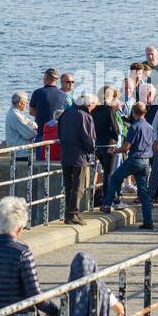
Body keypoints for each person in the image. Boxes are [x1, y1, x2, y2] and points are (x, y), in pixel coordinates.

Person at [101, 102, 155, 229]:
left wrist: (115, 150)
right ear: (145, 113)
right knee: (143, 193)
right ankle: (148, 221)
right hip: (146, 161)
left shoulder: (134, 127)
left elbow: (126, 147)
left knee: (115, 178)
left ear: (133, 113)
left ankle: (107, 204)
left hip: (134, 159)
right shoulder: (149, 127)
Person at [58, 93, 97, 225]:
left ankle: (67, 214)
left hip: (65, 153)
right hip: (79, 156)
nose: (93, 108)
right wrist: (91, 150)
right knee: (78, 186)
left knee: (68, 184)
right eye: (93, 106)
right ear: (88, 104)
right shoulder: (85, 116)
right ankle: (72, 214)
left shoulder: (65, 113)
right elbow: (89, 138)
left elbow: (59, 132)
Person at [93, 85, 124, 192]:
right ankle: (109, 199)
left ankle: (105, 197)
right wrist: (115, 139)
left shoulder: (94, 110)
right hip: (109, 144)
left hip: (98, 145)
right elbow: (115, 128)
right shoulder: (109, 109)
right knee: (109, 173)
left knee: (104, 172)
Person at [29, 68, 66, 135]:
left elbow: (31, 112)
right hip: (58, 132)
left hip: (41, 131)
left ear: (45, 77)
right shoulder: (63, 94)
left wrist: (40, 115)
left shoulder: (37, 92)